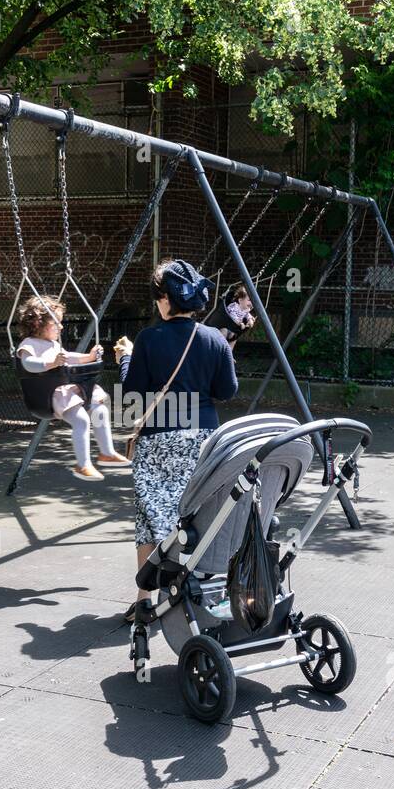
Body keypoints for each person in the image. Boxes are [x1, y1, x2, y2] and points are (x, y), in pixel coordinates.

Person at [117, 258, 238, 620]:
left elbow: (132, 396)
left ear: (166, 300)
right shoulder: (215, 338)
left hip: (160, 438)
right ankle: (201, 592)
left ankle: (144, 600)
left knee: (149, 518)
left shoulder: (149, 339)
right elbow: (227, 390)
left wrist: (126, 359)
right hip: (204, 439)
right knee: (198, 515)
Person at [15, 295, 130, 481]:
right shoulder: (28, 345)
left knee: (100, 410)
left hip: (68, 391)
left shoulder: (53, 344)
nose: (61, 327)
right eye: (56, 323)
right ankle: (83, 465)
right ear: (37, 323)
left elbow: (71, 357)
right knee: (82, 420)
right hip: (48, 396)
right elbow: (29, 364)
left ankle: (106, 452)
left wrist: (90, 356)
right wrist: (50, 363)